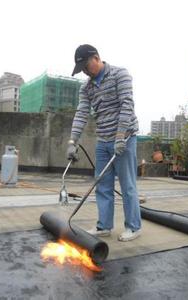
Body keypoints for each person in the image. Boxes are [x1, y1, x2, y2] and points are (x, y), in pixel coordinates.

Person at [67, 44, 141, 242]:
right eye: (81, 67)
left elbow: (127, 105)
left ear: (97, 58)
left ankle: (133, 227)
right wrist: (72, 141)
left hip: (124, 138)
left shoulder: (120, 74)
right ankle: (104, 226)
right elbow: (82, 113)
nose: (84, 70)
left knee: (128, 186)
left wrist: (120, 136)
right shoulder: (87, 87)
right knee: (103, 185)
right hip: (103, 141)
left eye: (85, 65)